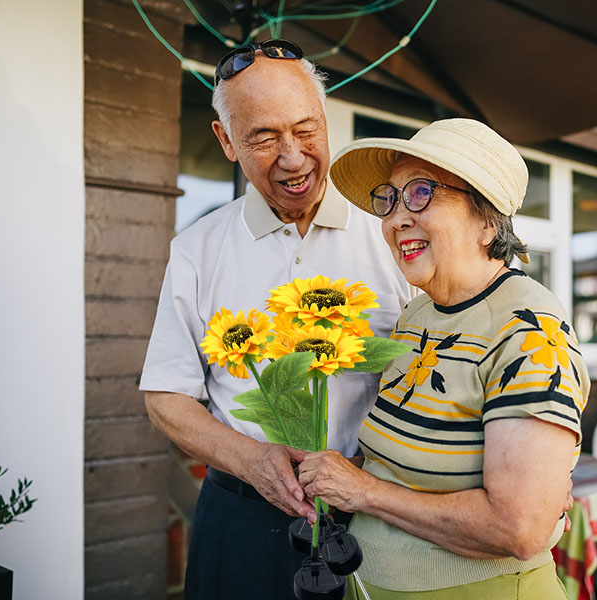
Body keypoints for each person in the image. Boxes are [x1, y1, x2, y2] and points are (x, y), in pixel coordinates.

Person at [139, 39, 411, 599]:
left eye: (306, 129)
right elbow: (165, 396)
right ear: (226, 141)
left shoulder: (395, 235)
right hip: (240, 521)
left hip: (377, 518)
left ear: (327, 118)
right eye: (263, 138)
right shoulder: (197, 249)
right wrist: (252, 459)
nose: (292, 157)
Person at [298, 118, 590, 599]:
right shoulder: (417, 313)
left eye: (420, 193)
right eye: (389, 199)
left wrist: (363, 491)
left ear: (486, 219)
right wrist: (338, 471)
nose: (395, 219)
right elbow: (411, 459)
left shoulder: (529, 331)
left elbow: (519, 529)